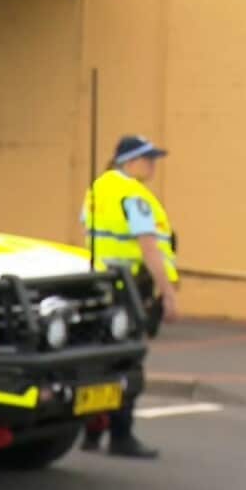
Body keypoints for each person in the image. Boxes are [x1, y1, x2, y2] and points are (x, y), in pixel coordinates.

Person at [79, 134, 180, 459]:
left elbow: (88, 234)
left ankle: (92, 432)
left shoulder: (98, 188)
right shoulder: (134, 196)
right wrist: (167, 293)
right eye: (148, 158)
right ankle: (122, 436)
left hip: (99, 282)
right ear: (130, 161)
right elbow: (148, 247)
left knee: (99, 358)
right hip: (131, 288)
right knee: (128, 360)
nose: (152, 165)